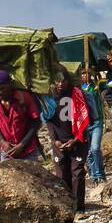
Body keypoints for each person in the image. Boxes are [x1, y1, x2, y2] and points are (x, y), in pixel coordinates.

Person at [42, 74, 92, 211]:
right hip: (59, 142)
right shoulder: (50, 98)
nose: (60, 84)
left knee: (77, 173)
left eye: (63, 81)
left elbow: (86, 119)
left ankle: (79, 207)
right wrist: (55, 140)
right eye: (57, 81)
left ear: (68, 80)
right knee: (62, 175)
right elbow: (48, 121)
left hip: (78, 140)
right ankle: (67, 206)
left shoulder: (79, 95)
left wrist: (75, 140)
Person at [0, 70, 43, 161]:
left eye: (2, 88)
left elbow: (35, 122)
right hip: (7, 152)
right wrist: (2, 141)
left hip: (28, 151)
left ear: (10, 85)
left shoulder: (24, 98)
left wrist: (22, 144)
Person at [79, 66, 107, 191]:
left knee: (95, 148)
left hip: (96, 122)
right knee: (89, 152)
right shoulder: (78, 89)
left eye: (87, 73)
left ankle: (100, 174)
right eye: (83, 73)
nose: (85, 75)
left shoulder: (96, 85)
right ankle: (95, 177)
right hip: (85, 124)